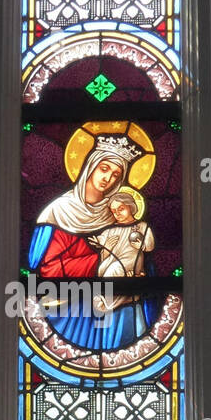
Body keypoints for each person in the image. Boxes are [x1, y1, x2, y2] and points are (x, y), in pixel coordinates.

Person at [28, 136, 159, 351]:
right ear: (90, 166)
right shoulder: (57, 211)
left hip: (121, 301)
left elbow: (144, 258)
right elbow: (44, 269)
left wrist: (136, 270)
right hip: (69, 304)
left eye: (116, 174)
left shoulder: (119, 212)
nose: (107, 178)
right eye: (104, 168)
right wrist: (100, 261)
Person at [91, 188, 155, 315]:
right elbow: (100, 241)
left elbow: (150, 246)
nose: (117, 214)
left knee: (114, 270)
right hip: (113, 261)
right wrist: (105, 247)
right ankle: (114, 300)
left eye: (121, 209)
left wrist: (141, 245)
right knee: (107, 270)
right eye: (114, 211)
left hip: (131, 262)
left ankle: (107, 302)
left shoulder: (142, 226)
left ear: (130, 207)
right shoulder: (110, 230)